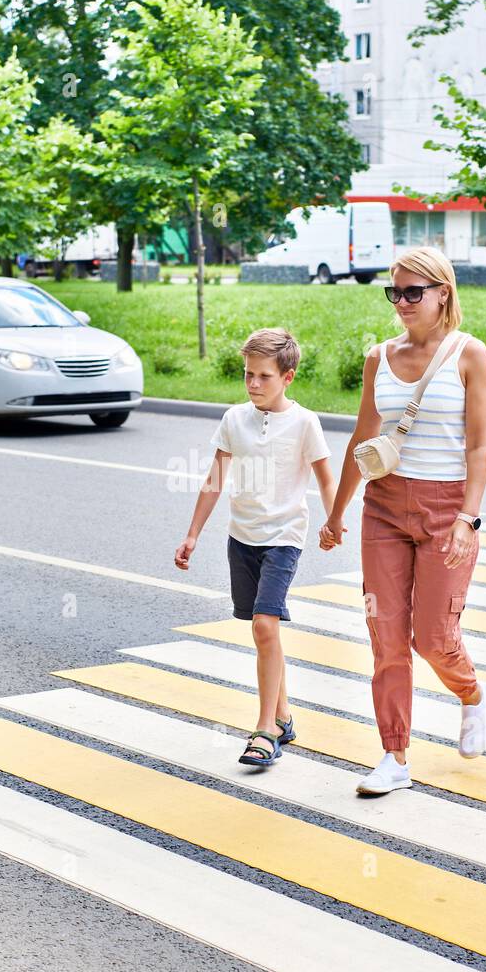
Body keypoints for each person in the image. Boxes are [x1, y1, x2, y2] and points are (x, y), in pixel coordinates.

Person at [320, 246, 486, 796]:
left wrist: (469, 516)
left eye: (413, 292)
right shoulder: (379, 357)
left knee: (434, 637)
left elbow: (480, 444)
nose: (402, 302)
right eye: (394, 292)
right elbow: (363, 438)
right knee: (386, 634)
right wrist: (337, 512)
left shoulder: (470, 354)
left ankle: (472, 693)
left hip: (448, 512)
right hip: (385, 508)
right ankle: (394, 755)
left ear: (444, 292)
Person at [174, 327, 338, 766]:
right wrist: (193, 534)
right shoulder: (234, 419)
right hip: (241, 538)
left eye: (264, 376)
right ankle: (283, 714)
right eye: (248, 374)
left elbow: (325, 476)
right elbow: (215, 478)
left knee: (265, 626)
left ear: (288, 377)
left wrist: (334, 519)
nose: (253, 384)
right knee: (263, 631)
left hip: (284, 538)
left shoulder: (304, 422)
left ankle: (266, 730)